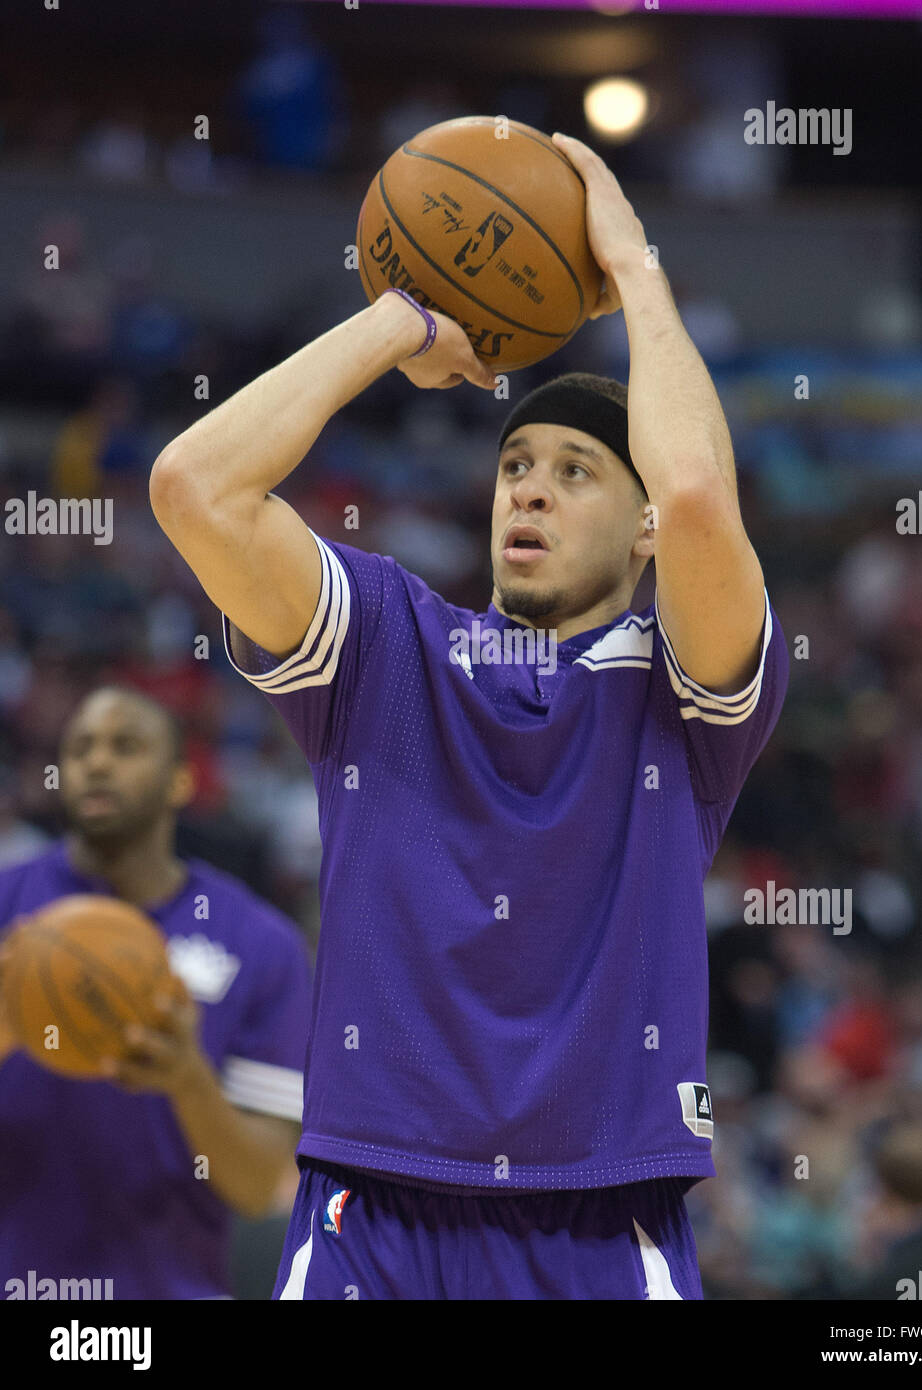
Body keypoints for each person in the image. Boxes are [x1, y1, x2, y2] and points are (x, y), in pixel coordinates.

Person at [148, 132, 788, 1300]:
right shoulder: (386, 641)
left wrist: (635, 268)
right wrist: (402, 319)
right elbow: (195, 487)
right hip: (369, 1213)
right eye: (516, 466)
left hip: (601, 1226)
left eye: (577, 472)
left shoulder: (682, 690)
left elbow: (696, 492)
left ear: (643, 531)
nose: (532, 487)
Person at [0, 687, 312, 1300]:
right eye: (81, 747)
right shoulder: (8, 909)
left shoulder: (260, 942)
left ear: (179, 781)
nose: (97, 762)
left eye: (126, 745)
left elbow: (256, 1186)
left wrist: (188, 1081)